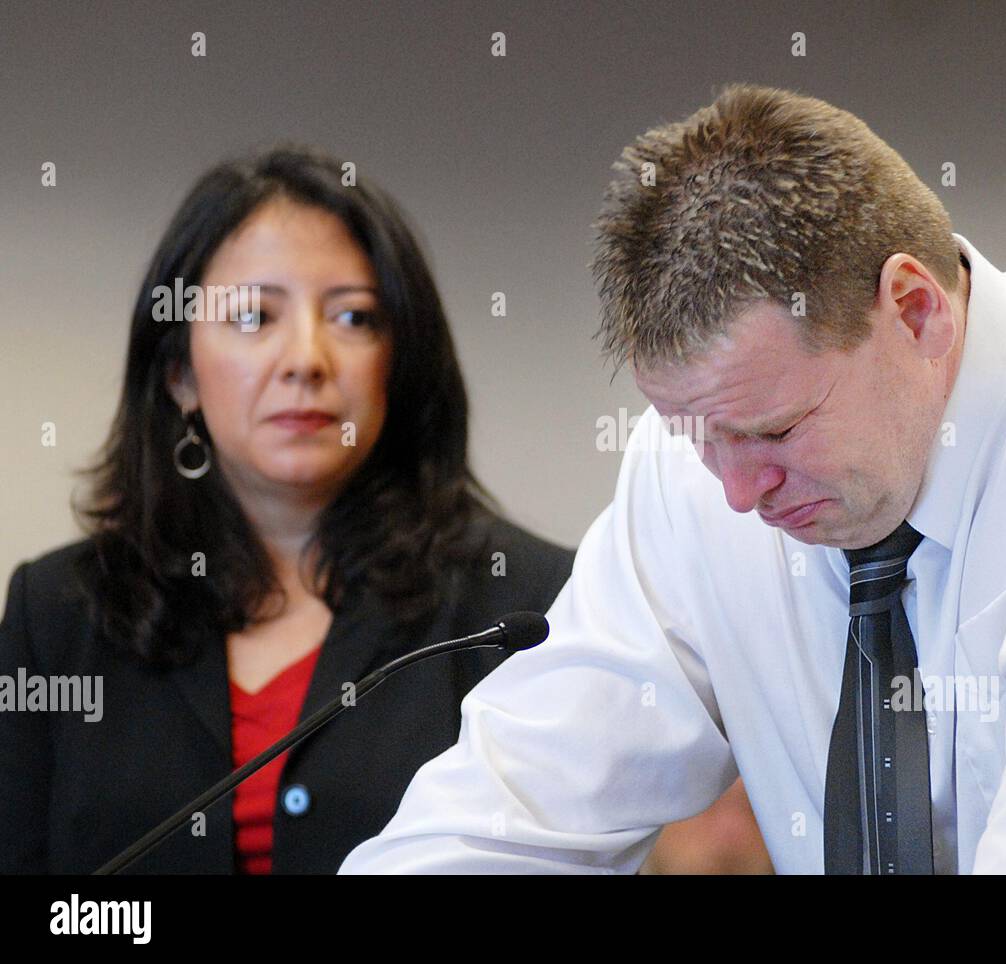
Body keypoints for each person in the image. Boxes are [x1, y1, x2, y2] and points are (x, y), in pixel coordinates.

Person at [338, 84, 1006, 875]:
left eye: (775, 430)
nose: (737, 493)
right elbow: (515, 796)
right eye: (698, 438)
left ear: (916, 310)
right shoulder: (692, 474)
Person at [0, 146, 576, 874]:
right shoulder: (56, 614)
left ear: (399, 362)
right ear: (179, 373)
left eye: (354, 317)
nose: (305, 358)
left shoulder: (523, 606)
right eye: (253, 316)